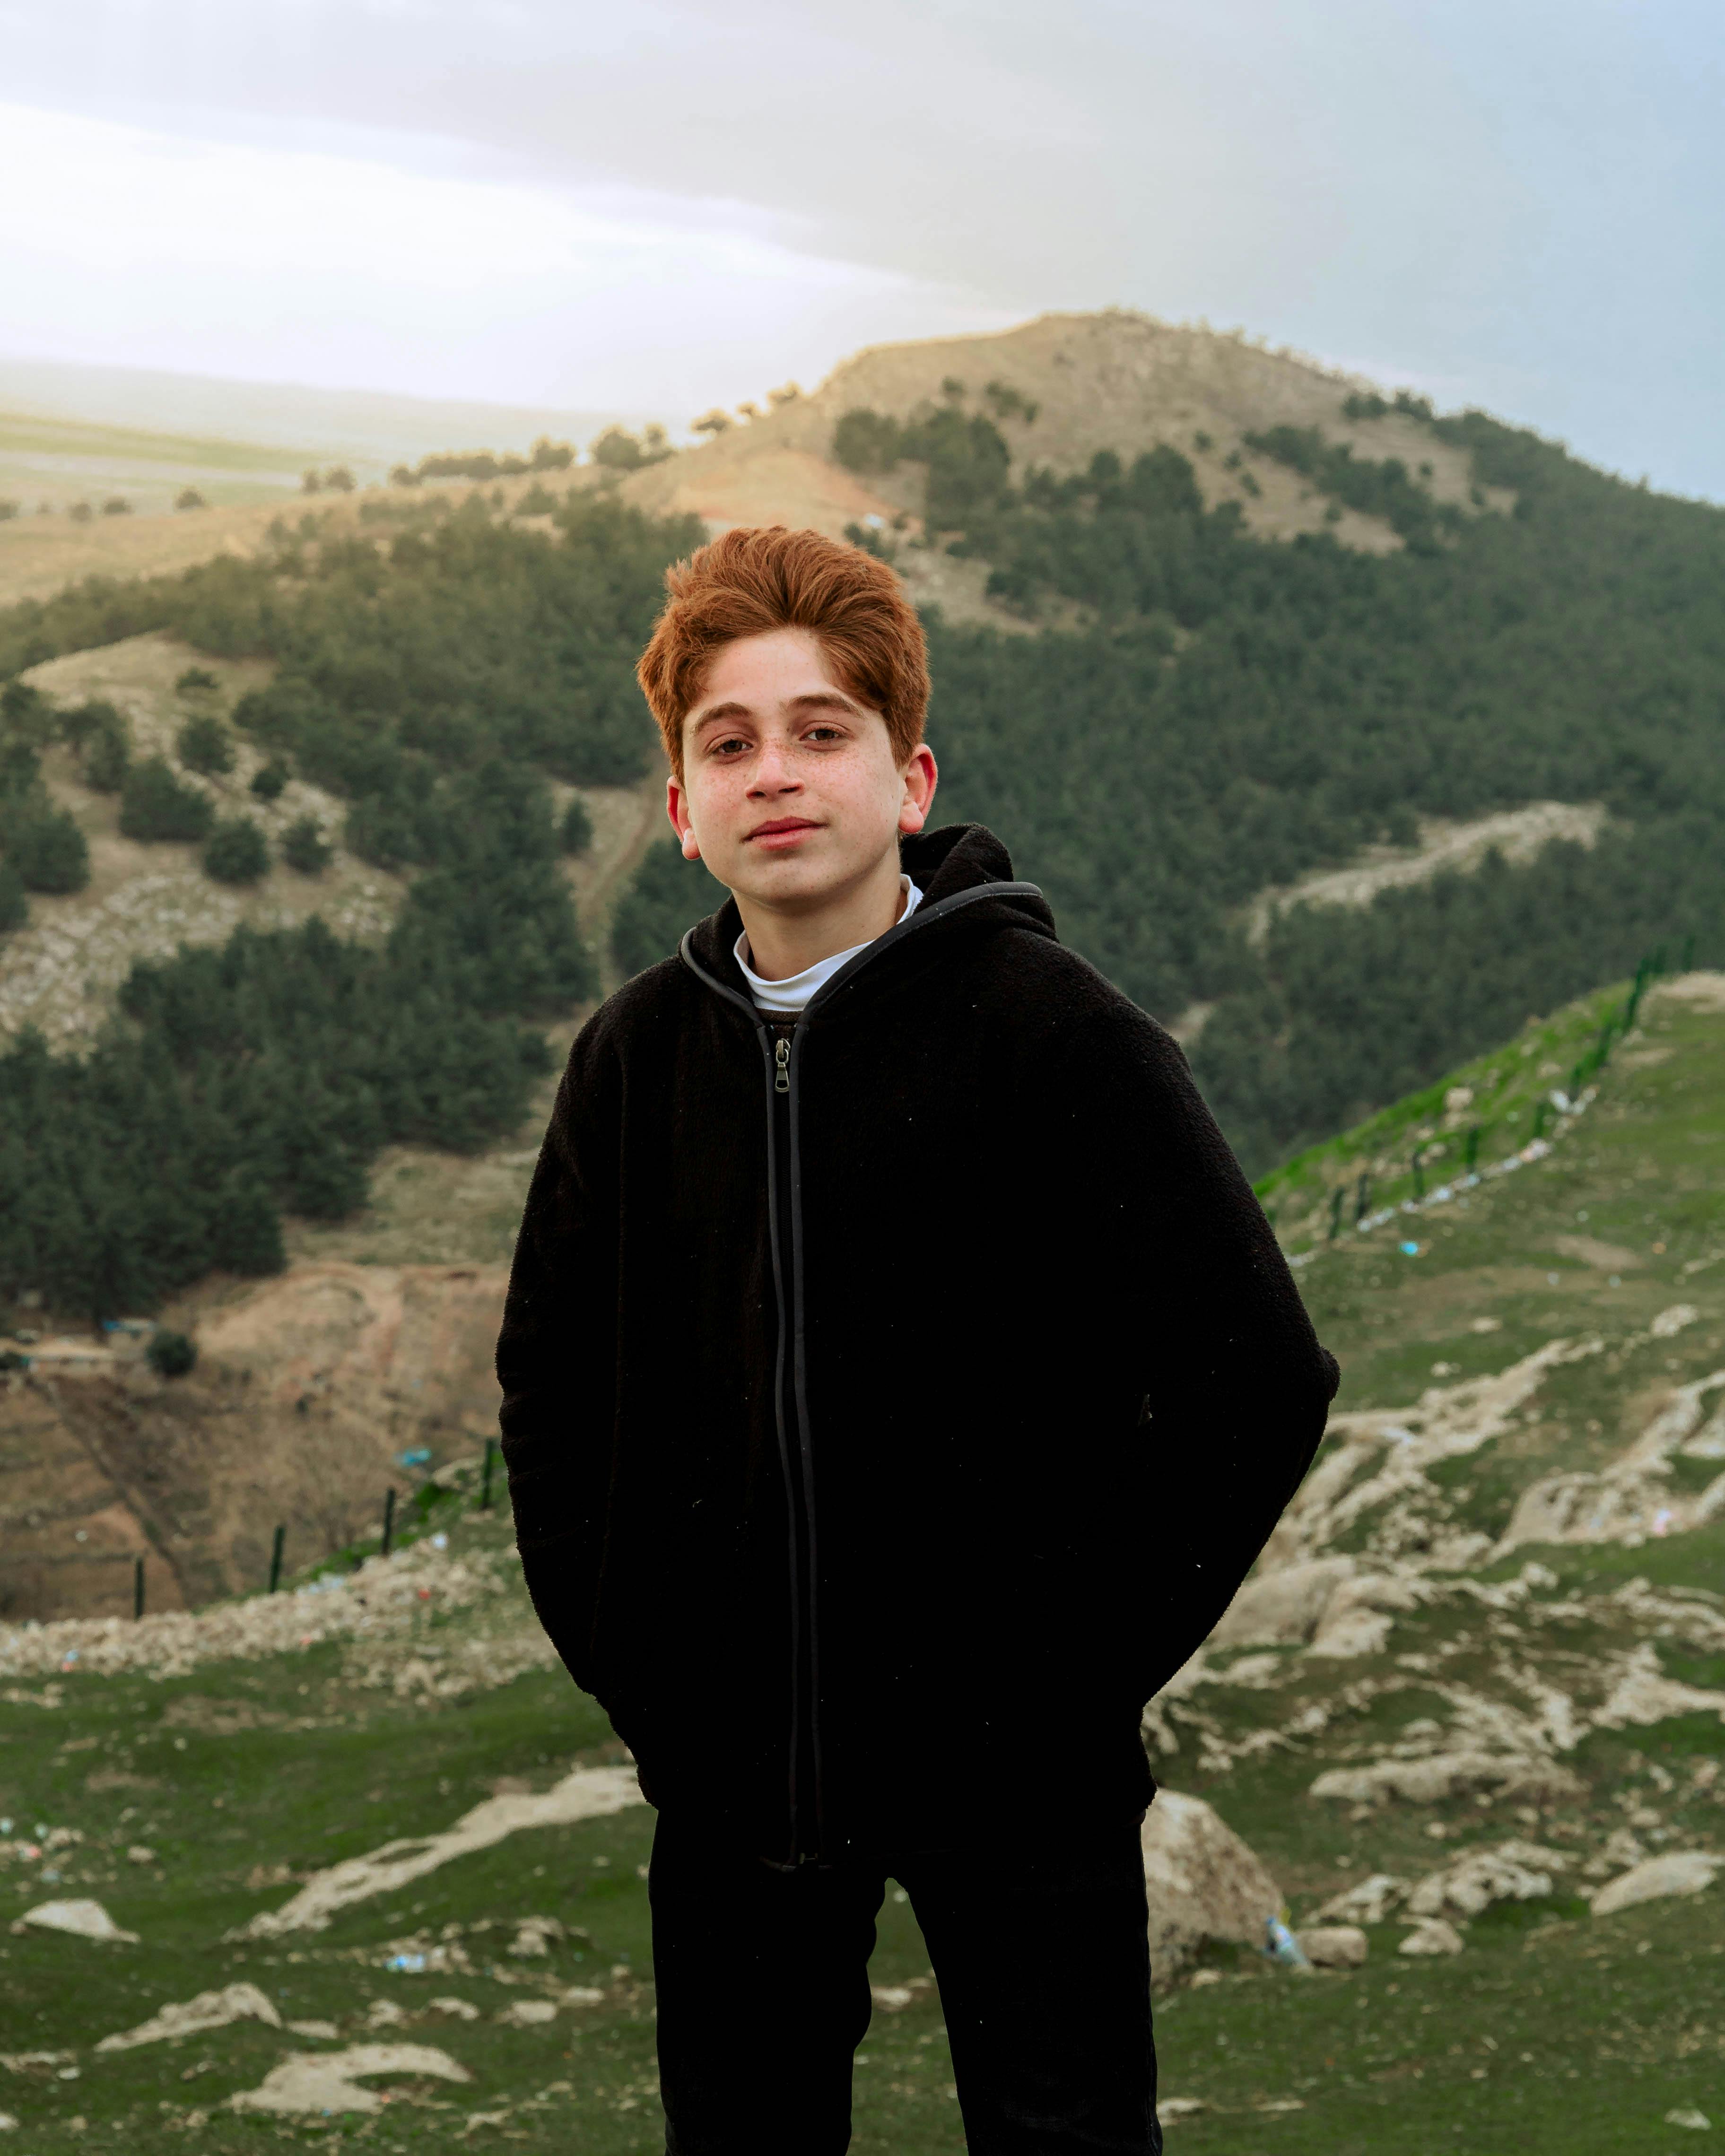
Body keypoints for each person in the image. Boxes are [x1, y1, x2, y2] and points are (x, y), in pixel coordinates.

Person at [496, 524, 1339, 2155]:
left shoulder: (1058, 1036)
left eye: (825, 730)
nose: (777, 773)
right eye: (727, 743)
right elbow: (554, 1399)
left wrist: (1067, 1676)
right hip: (732, 1791)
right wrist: (654, 1679)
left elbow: (1257, 1376)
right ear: (681, 811)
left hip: (1024, 1791)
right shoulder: (633, 1065)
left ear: (910, 775)